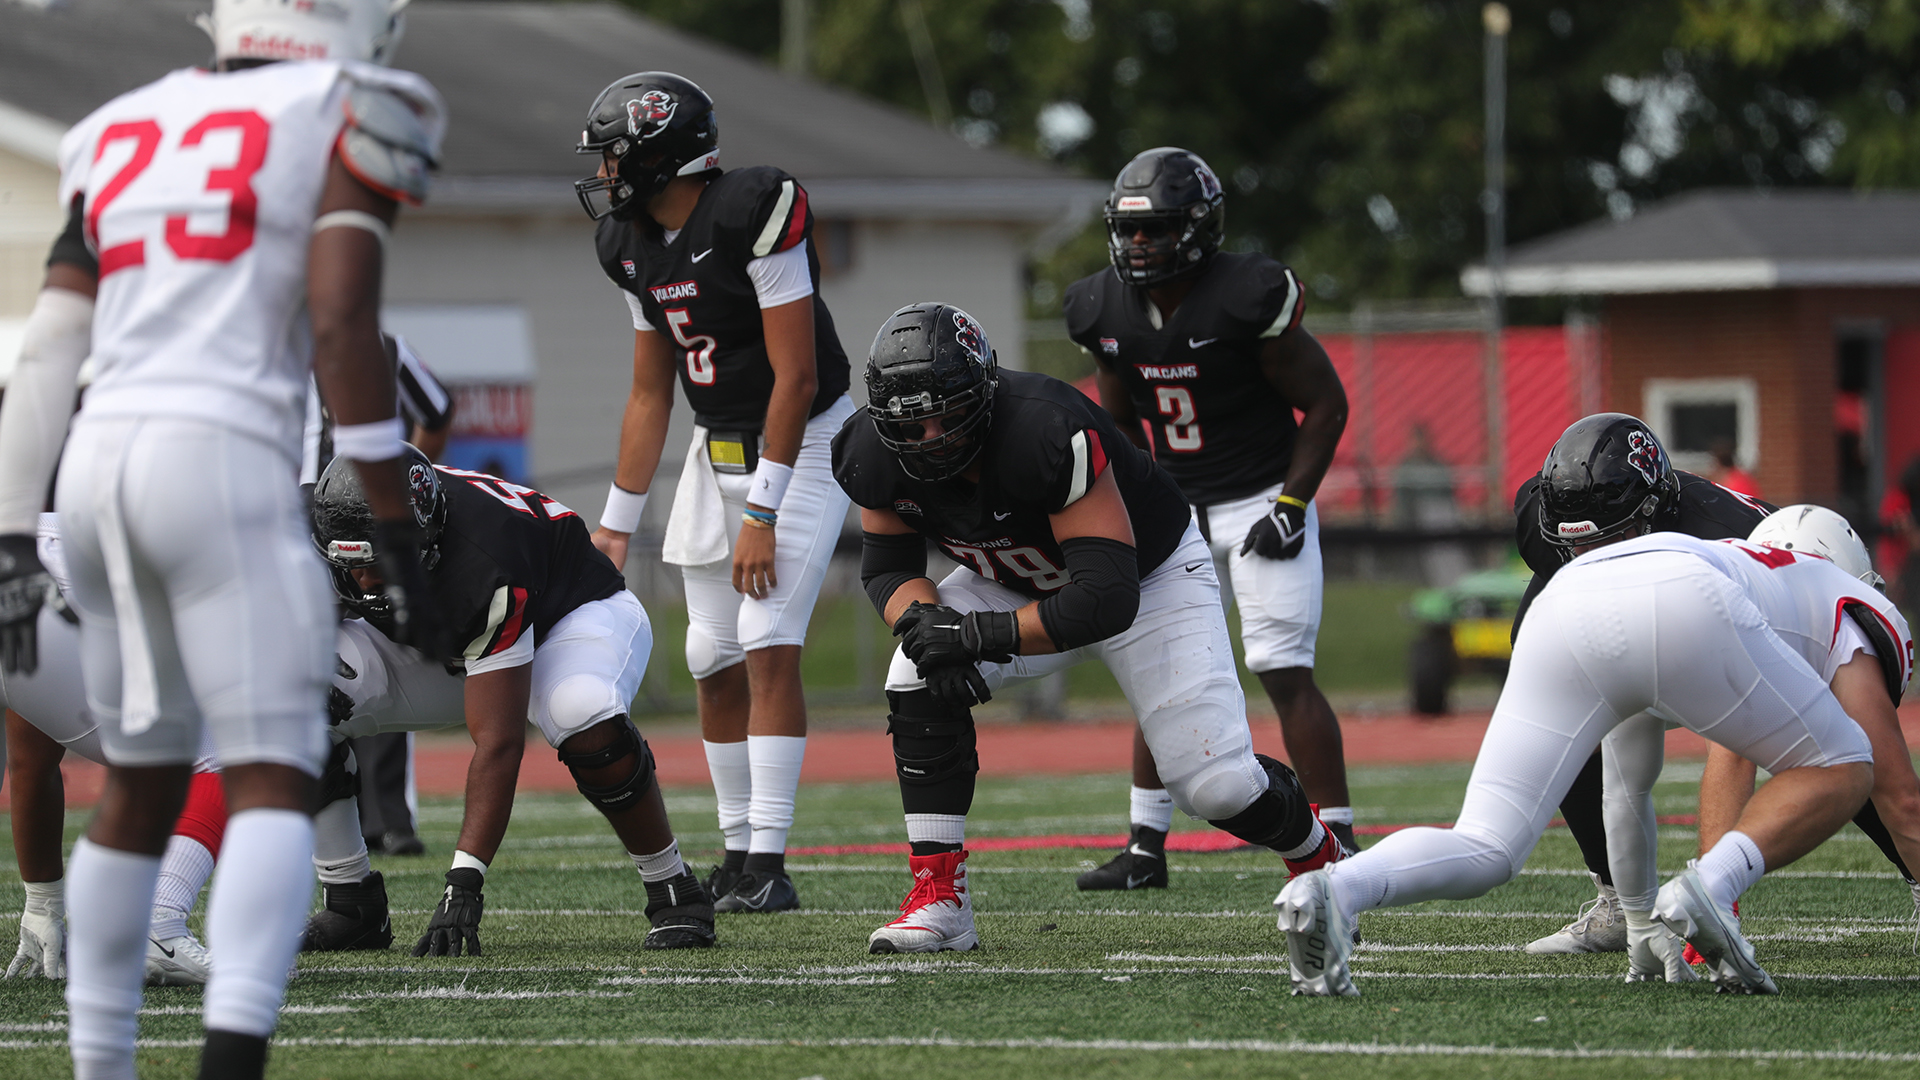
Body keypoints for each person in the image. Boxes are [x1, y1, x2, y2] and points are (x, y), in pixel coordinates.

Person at [0, 2, 451, 1076]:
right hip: (224, 463)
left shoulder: (117, 125)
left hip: (100, 468)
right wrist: (389, 515)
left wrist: (15, 530)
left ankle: (100, 1061)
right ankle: (232, 1055)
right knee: (269, 776)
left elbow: (51, 340)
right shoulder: (349, 107)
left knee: (144, 778)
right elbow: (346, 328)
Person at [832, 302, 1343, 953]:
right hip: (1015, 581)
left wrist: (974, 637)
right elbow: (887, 567)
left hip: (1149, 579)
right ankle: (941, 900)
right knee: (913, 667)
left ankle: (1321, 856)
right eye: (910, 423)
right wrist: (925, 622)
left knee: (1218, 787)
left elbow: (1104, 597)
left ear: (985, 394)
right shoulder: (869, 451)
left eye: (945, 415)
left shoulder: (1046, 428)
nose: (929, 436)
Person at [1278, 527, 1897, 996]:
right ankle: (1714, 884)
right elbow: (1898, 790)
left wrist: (1640, 927)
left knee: (1487, 843)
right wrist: (1713, 884)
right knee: (1845, 761)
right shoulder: (1842, 596)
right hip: (1682, 600)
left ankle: (1336, 887)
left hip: (1564, 598)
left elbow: (1625, 791)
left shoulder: (1732, 560)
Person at [577, 72, 854, 914]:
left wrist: (763, 511)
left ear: (662, 154)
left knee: (768, 635)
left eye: (616, 156)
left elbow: (798, 376)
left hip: (804, 443)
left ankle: (770, 860)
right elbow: (650, 394)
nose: (606, 174)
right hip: (714, 447)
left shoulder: (753, 208)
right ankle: (736, 852)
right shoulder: (628, 244)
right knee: (710, 654)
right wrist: (615, 529)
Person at [1064, 148, 1355, 887]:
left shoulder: (1247, 295)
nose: (1137, 245)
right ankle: (1142, 849)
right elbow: (1119, 418)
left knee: (1282, 669)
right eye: (1129, 232)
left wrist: (1292, 505)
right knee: (1158, 663)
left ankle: (1338, 838)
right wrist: (1144, 493)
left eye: (1155, 230)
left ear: (1196, 227)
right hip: (1177, 500)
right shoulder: (1104, 308)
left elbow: (1325, 403)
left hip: (1263, 493)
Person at [304, 449, 715, 954]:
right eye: (352, 564)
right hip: (447, 638)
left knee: (579, 710)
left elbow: (498, 742)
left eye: (380, 562)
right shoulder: (310, 528)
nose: (365, 580)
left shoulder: (484, 556)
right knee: (295, 698)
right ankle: (351, 904)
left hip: (567, 618)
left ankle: (674, 890)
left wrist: (464, 883)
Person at [1509, 413, 1775, 955]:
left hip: (1748, 628)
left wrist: (1715, 896)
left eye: (1607, 543)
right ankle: (1620, 903)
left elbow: (1735, 745)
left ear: (1652, 513)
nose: (1590, 561)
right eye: (1576, 549)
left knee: (1837, 748)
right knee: (1564, 719)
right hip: (1628, 626)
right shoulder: (1549, 521)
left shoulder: (1726, 542)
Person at [2, 516, 227, 988]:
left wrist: (43, 899)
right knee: (233, 753)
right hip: (54, 595)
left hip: (28, 574)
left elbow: (31, 759)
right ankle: (159, 926)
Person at [301, 331, 457, 858]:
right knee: (375, 653)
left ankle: (320, 818)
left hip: (307, 521)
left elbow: (437, 412)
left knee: (317, 668)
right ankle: (388, 820)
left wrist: (408, 481)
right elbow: (436, 410)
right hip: (364, 519)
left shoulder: (255, 339)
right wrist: (402, 488)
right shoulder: (381, 342)